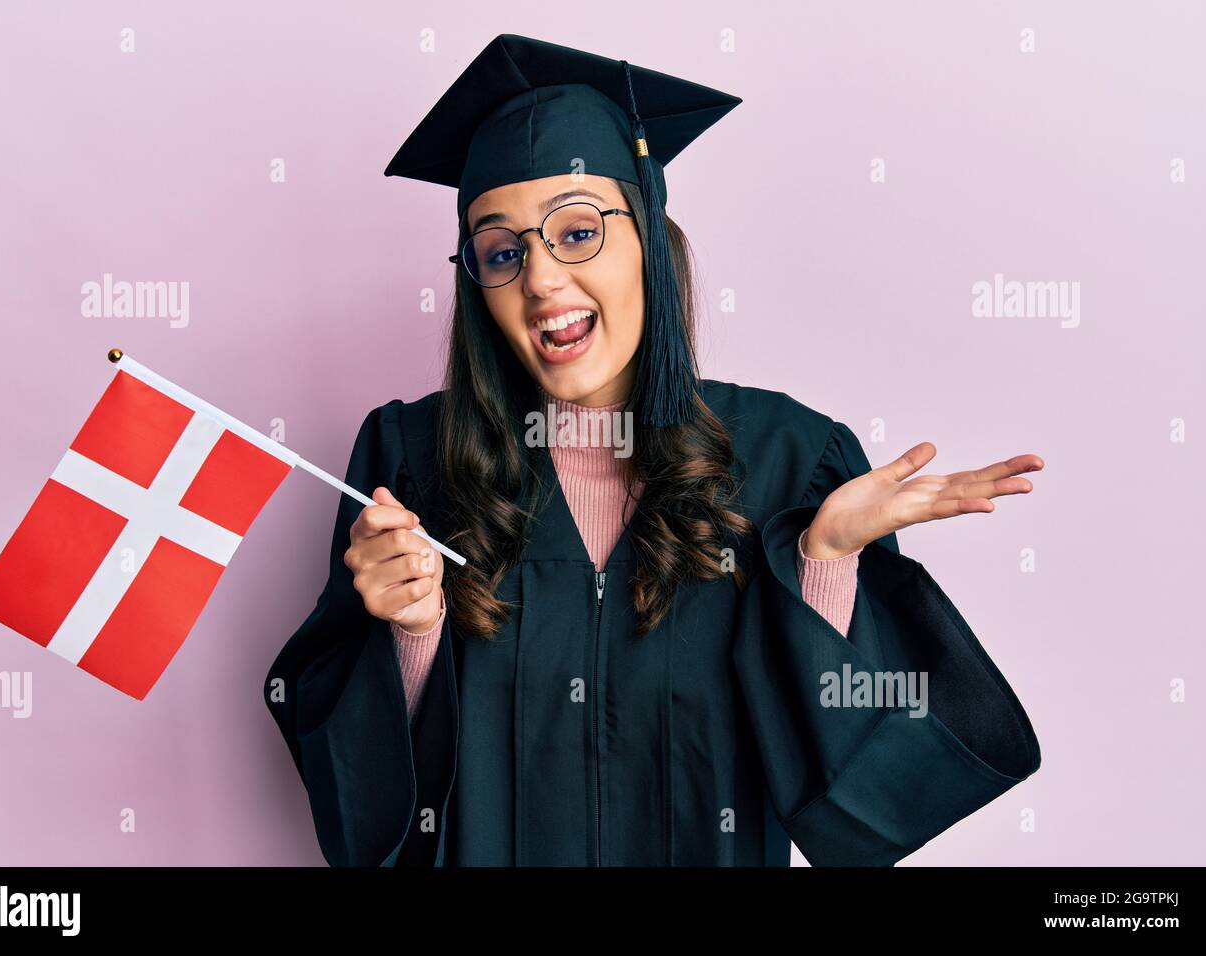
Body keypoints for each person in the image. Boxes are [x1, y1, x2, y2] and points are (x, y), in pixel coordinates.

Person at [263, 34, 1043, 867]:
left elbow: (860, 794)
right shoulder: (412, 462)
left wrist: (821, 562)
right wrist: (412, 633)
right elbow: (358, 803)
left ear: (648, 240)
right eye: (501, 252)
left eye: (577, 232)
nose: (541, 280)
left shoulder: (790, 460)